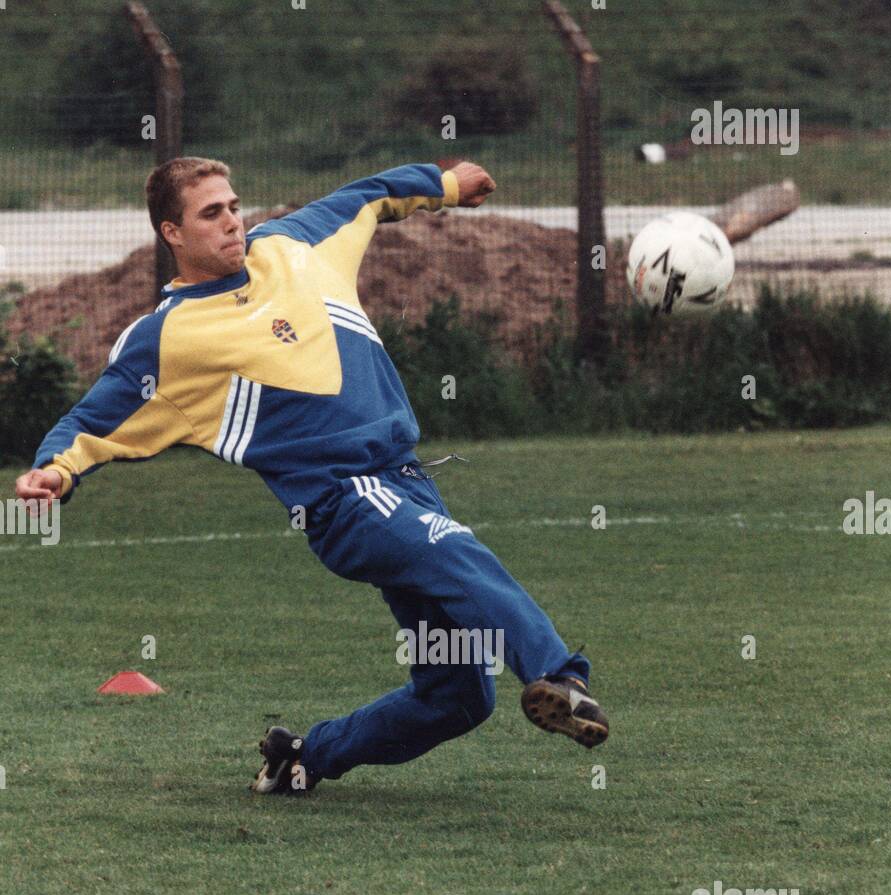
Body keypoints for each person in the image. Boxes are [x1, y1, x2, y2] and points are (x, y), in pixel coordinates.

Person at [14, 157, 608, 796]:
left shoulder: (293, 244)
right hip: (345, 501)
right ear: (172, 234)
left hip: (406, 484)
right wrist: (55, 469)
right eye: (210, 214)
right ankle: (562, 678)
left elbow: (369, 196)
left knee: (458, 696)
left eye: (234, 205)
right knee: (455, 551)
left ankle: (302, 757)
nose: (231, 222)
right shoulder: (168, 339)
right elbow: (96, 415)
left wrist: (444, 188)